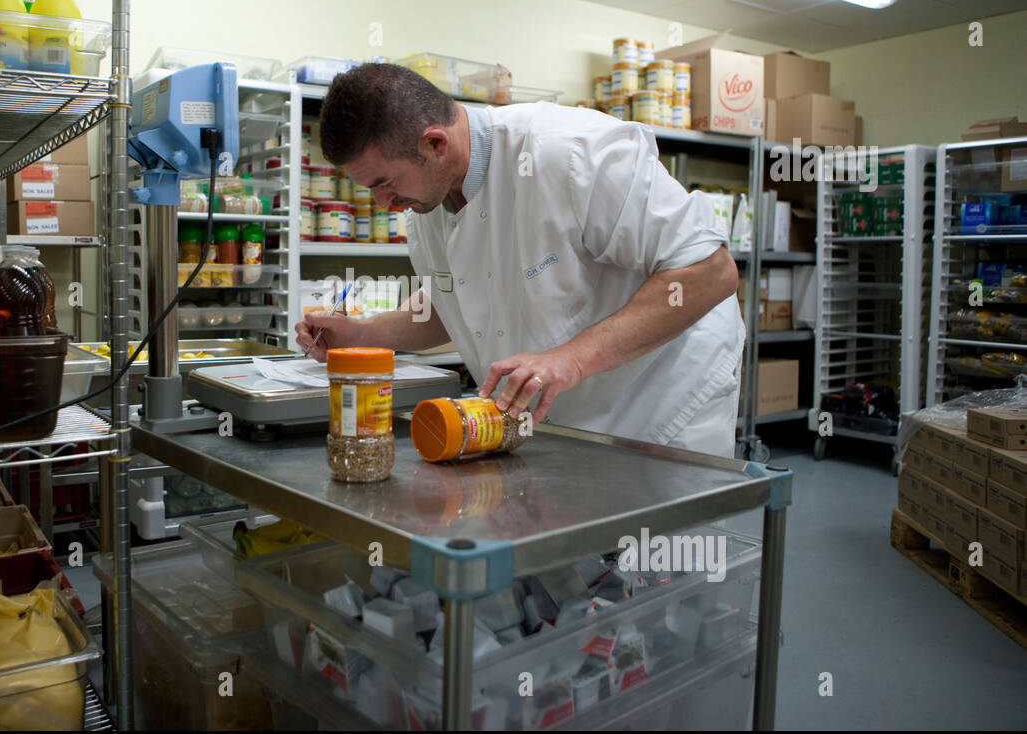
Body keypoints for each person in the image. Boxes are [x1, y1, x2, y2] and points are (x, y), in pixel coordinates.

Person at [294, 63, 744, 457]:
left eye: (384, 183)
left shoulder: (569, 152)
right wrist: (365, 333)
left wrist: (572, 359)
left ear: (434, 144)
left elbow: (710, 271)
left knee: (659, 551)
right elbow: (458, 300)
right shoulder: (427, 198)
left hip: (660, 400)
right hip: (558, 413)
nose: (382, 202)